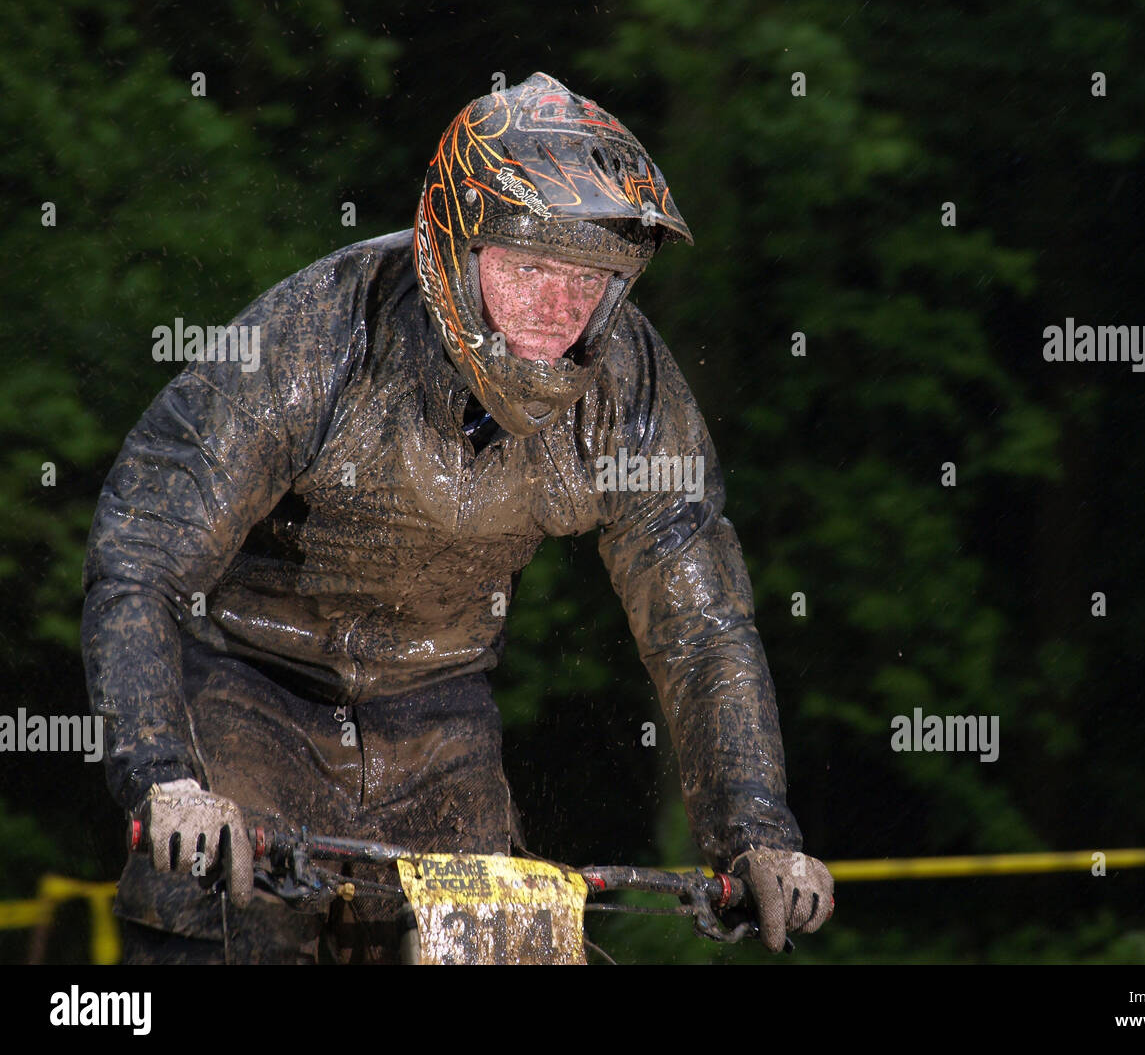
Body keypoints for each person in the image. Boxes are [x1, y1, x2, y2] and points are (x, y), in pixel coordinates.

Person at [82, 71, 832, 963]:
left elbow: (701, 625)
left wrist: (755, 829)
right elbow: (140, 553)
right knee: (216, 923)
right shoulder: (320, 332)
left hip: (440, 723)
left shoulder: (627, 387)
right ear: (453, 250)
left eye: (587, 280)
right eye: (530, 268)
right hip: (249, 690)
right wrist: (163, 774)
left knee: (506, 946)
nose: (557, 310)